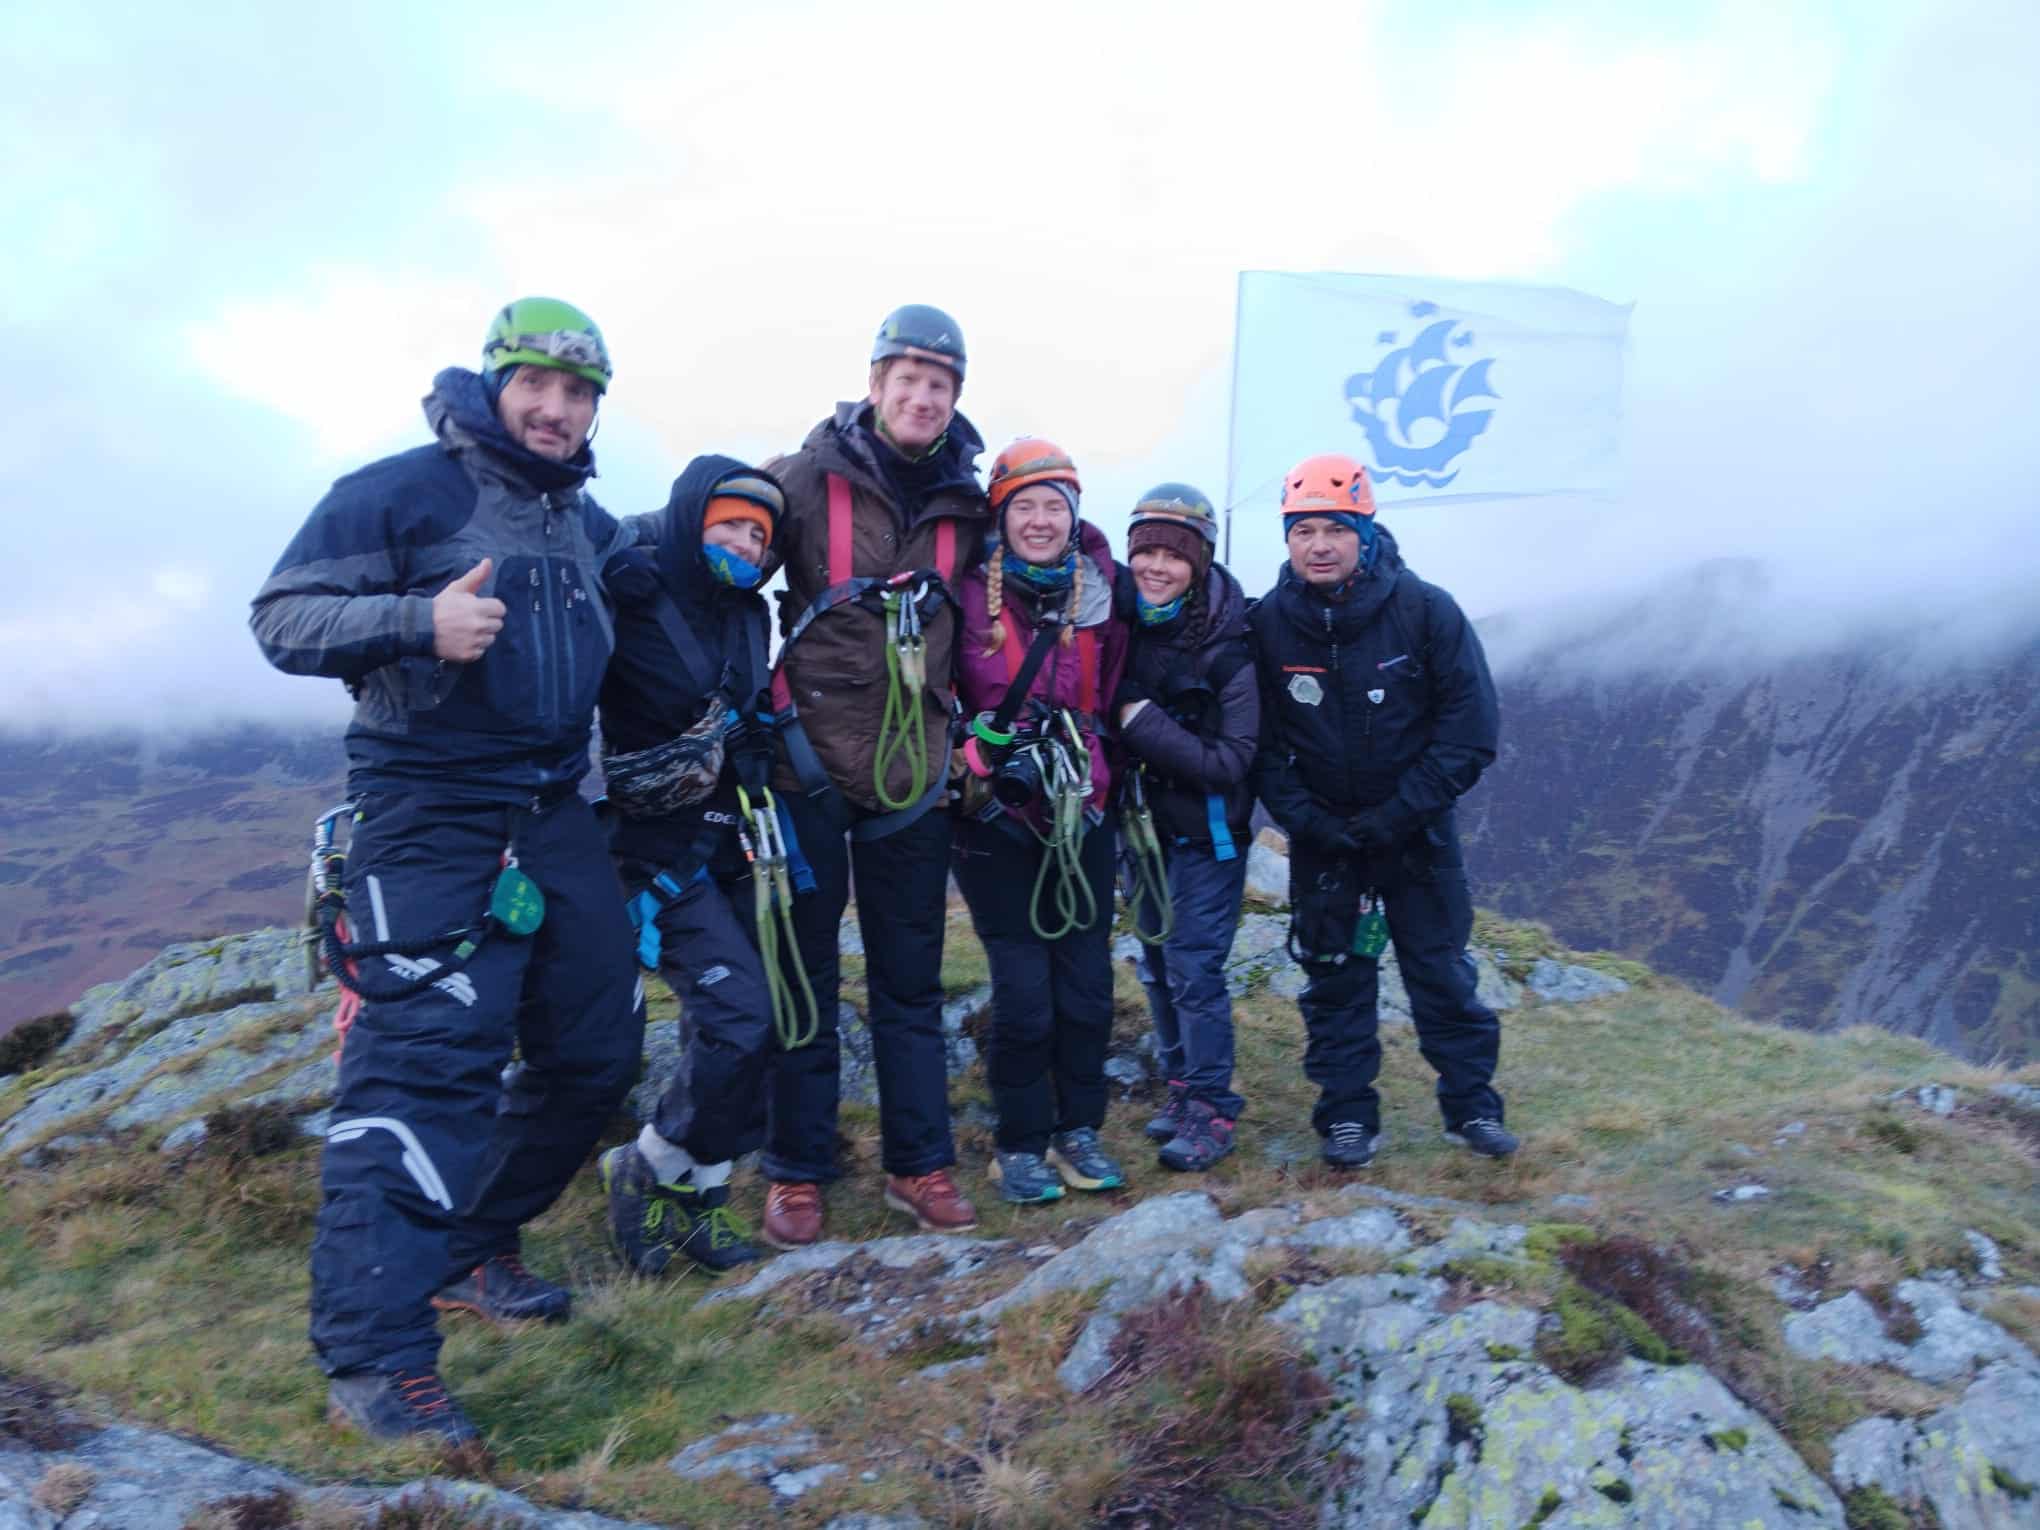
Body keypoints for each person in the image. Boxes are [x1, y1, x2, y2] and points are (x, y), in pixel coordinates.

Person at [249, 299, 644, 1445]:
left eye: (578, 395)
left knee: (595, 1054)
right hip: (427, 813)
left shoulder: (588, 523)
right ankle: (377, 1361)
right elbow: (280, 619)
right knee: (423, 1079)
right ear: (493, 383)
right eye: (538, 386)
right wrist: (416, 619)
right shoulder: (403, 490)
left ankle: (469, 1250)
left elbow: (666, 592)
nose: (557, 410)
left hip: (555, 814)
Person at [756, 304, 991, 1246]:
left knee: (910, 981)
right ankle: (796, 1174)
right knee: (801, 977)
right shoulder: (804, 480)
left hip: (912, 778)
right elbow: (718, 547)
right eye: (909, 378)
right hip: (804, 768)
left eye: (941, 384)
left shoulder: (968, 508)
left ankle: (918, 1164)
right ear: (876, 381)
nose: (923, 396)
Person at [1247, 453, 1513, 1169]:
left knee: (1440, 973)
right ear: (1287, 540)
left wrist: (1398, 813)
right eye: (1303, 531)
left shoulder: (1426, 611)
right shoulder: (1269, 624)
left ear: (1367, 532)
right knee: (1334, 978)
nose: (1319, 545)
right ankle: (1345, 1116)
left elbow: (1470, 731)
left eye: (1336, 528)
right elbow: (1263, 742)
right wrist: (1308, 820)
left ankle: (1472, 1108)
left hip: (1416, 836)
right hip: (1326, 843)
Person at [593, 456, 793, 1277]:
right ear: (692, 517)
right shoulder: (627, 580)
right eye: (731, 523)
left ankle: (697, 1201)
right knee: (739, 1020)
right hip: (641, 856)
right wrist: (609, 574)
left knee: (749, 1029)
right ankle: (637, 1165)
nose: (745, 542)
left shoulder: (749, 615)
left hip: (724, 847)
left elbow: (736, 708)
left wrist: (756, 739)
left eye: (759, 533)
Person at [953, 439, 1129, 1202]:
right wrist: (972, 749)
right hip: (996, 814)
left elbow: (1125, 680)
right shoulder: (964, 596)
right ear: (1001, 517)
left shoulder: (1103, 594)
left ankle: (1078, 1129)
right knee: (1025, 993)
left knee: (1087, 985)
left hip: (1081, 806)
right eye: (1023, 505)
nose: (1039, 519)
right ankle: (1021, 1141)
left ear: (1074, 514)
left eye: (1053, 505)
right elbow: (935, 696)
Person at [1110, 484, 1259, 1172]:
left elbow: (1232, 761)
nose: (1156, 566)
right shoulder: (1124, 627)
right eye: (1146, 551)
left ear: (1199, 563)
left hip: (1208, 836)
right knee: (1158, 966)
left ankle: (1211, 1106)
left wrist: (1143, 724)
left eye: (1174, 554)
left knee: (1195, 968)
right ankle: (1179, 1089)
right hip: (1143, 832)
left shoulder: (1230, 649)